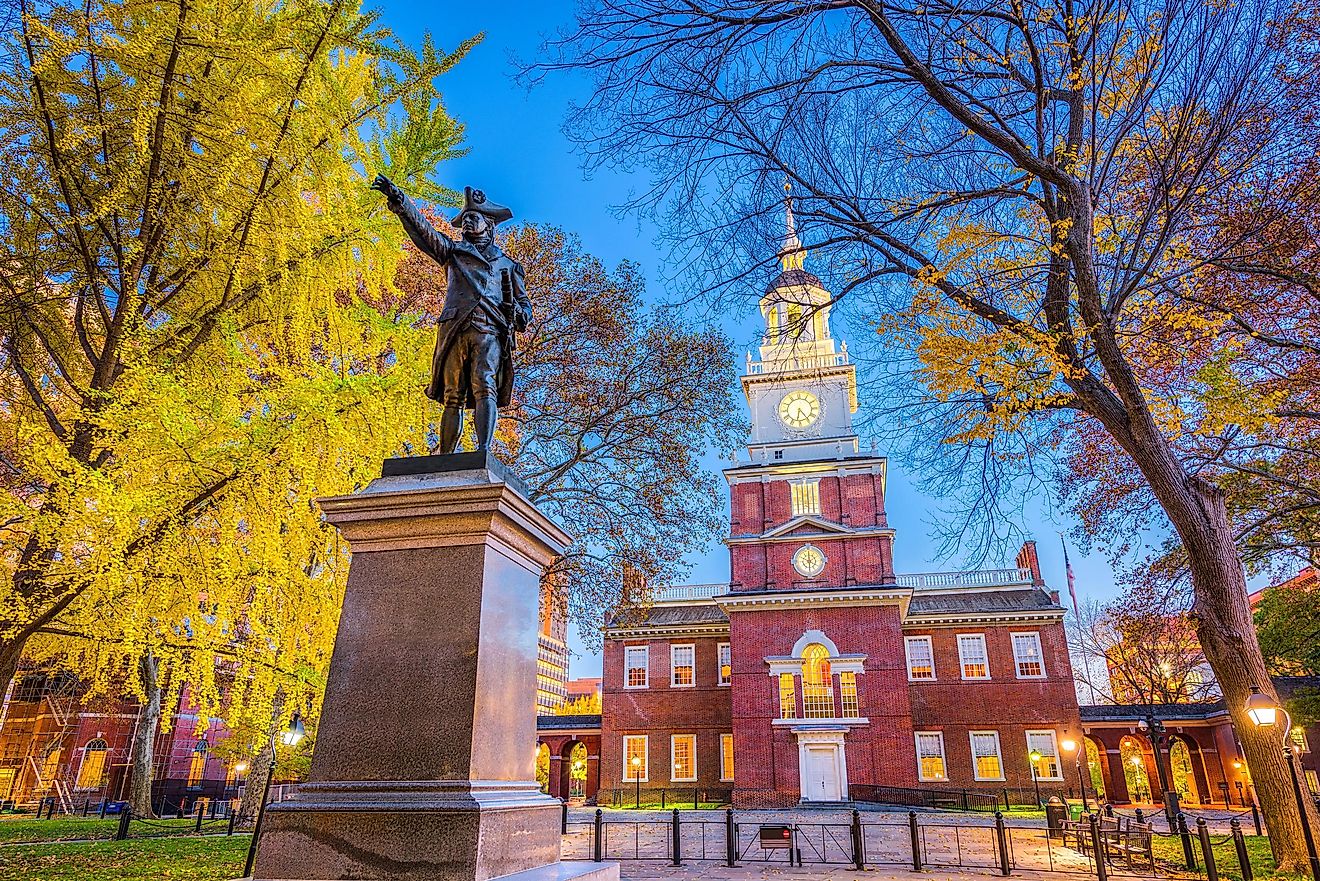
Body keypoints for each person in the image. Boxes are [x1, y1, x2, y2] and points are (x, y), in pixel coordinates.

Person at [371, 173, 531, 453]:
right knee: (452, 394)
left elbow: (525, 309)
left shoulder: (508, 265)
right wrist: (400, 200)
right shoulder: (452, 252)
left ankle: (483, 450)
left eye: (473, 217)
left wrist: (517, 311)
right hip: (455, 329)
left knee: (485, 385)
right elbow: (425, 232)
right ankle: (445, 456)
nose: (467, 222)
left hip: (489, 331)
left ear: (489, 224)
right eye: (464, 218)